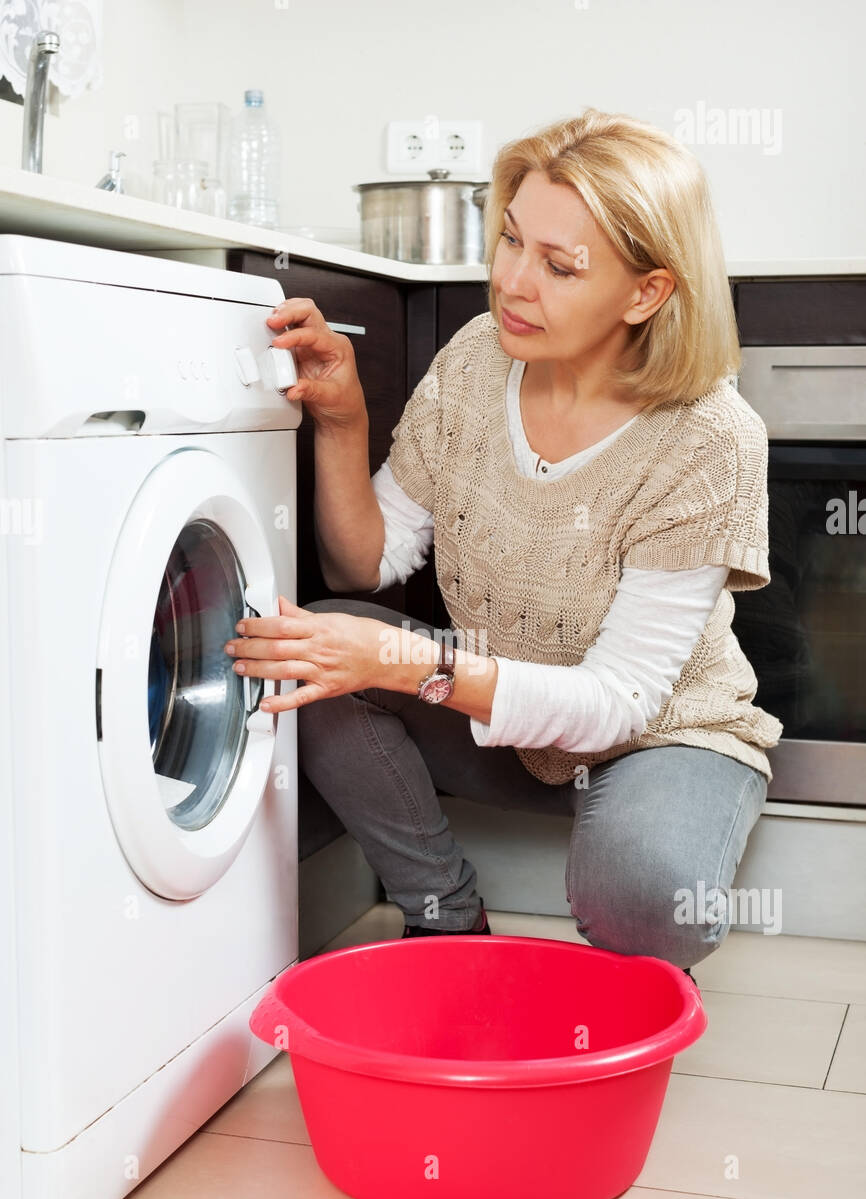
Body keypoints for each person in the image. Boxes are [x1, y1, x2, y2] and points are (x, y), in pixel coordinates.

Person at [224, 107, 782, 976]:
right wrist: (343, 421)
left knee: (650, 897)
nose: (514, 284)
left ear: (647, 292)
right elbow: (364, 564)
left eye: (560, 266)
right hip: (504, 704)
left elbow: (617, 703)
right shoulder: (480, 357)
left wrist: (405, 664)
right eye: (511, 241)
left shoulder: (710, 440)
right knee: (305, 642)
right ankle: (442, 916)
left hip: (656, 733)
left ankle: (646, 850)